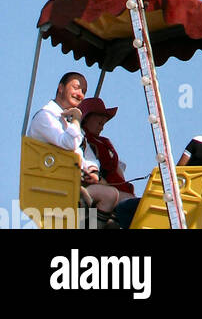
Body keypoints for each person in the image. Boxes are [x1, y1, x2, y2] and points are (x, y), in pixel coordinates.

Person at [28, 72, 120, 220]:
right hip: (50, 184)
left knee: (112, 195)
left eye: (83, 91)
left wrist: (93, 170)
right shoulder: (45, 116)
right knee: (106, 195)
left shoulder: (74, 125)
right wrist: (77, 118)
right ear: (61, 88)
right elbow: (69, 144)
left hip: (72, 180)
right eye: (76, 88)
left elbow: (87, 153)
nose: (80, 94)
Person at [80, 98, 140, 229]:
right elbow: (89, 169)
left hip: (118, 189)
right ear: (86, 118)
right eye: (99, 119)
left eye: (104, 120)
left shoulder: (104, 142)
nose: (103, 123)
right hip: (104, 188)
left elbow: (118, 169)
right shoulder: (82, 140)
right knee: (140, 207)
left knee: (141, 205)